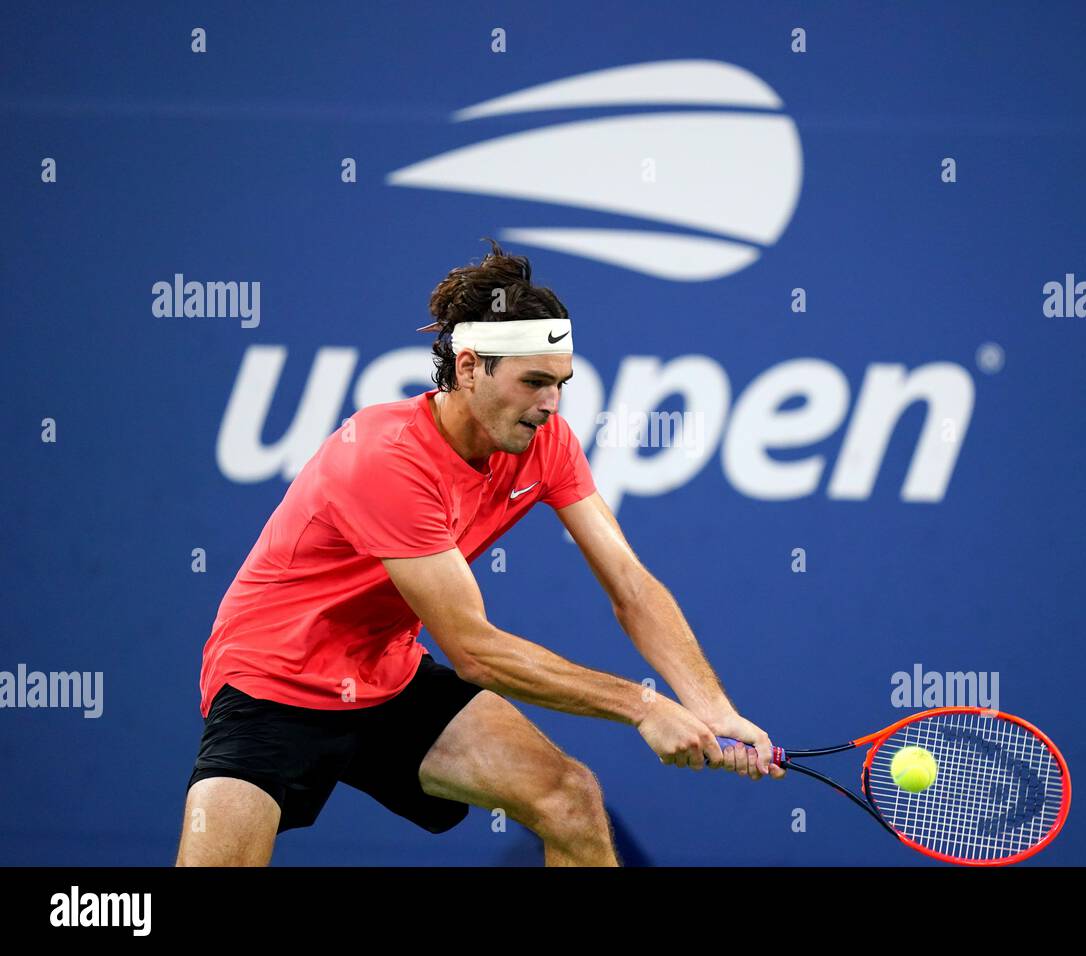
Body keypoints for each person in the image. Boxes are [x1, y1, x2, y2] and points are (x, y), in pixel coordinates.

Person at [175, 239, 784, 867]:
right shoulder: (384, 458)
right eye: (534, 382)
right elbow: (474, 652)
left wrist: (713, 708)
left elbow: (630, 584)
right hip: (271, 685)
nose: (550, 405)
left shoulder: (542, 440)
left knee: (568, 798)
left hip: (387, 679)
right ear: (469, 369)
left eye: (560, 384)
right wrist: (644, 705)